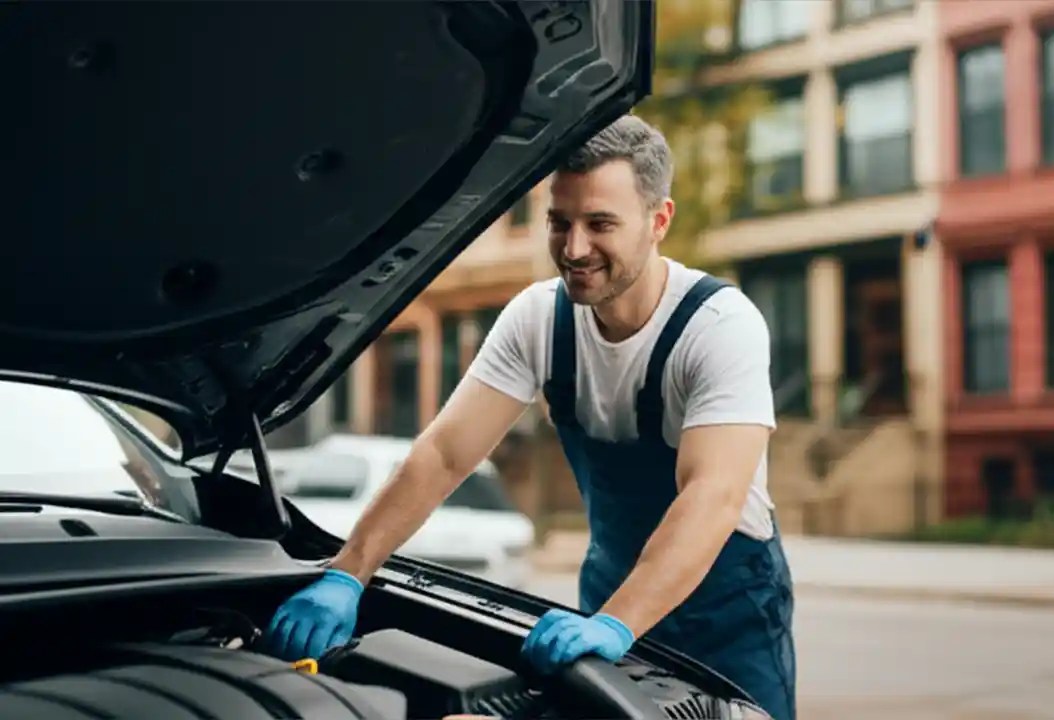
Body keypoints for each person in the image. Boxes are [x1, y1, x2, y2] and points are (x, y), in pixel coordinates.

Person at [262, 115, 796, 720]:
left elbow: (712, 495)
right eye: (559, 222)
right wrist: (348, 574)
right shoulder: (539, 319)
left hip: (729, 616)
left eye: (600, 224)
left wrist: (618, 623)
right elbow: (444, 455)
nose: (573, 249)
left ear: (659, 222)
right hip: (609, 597)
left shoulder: (721, 326)